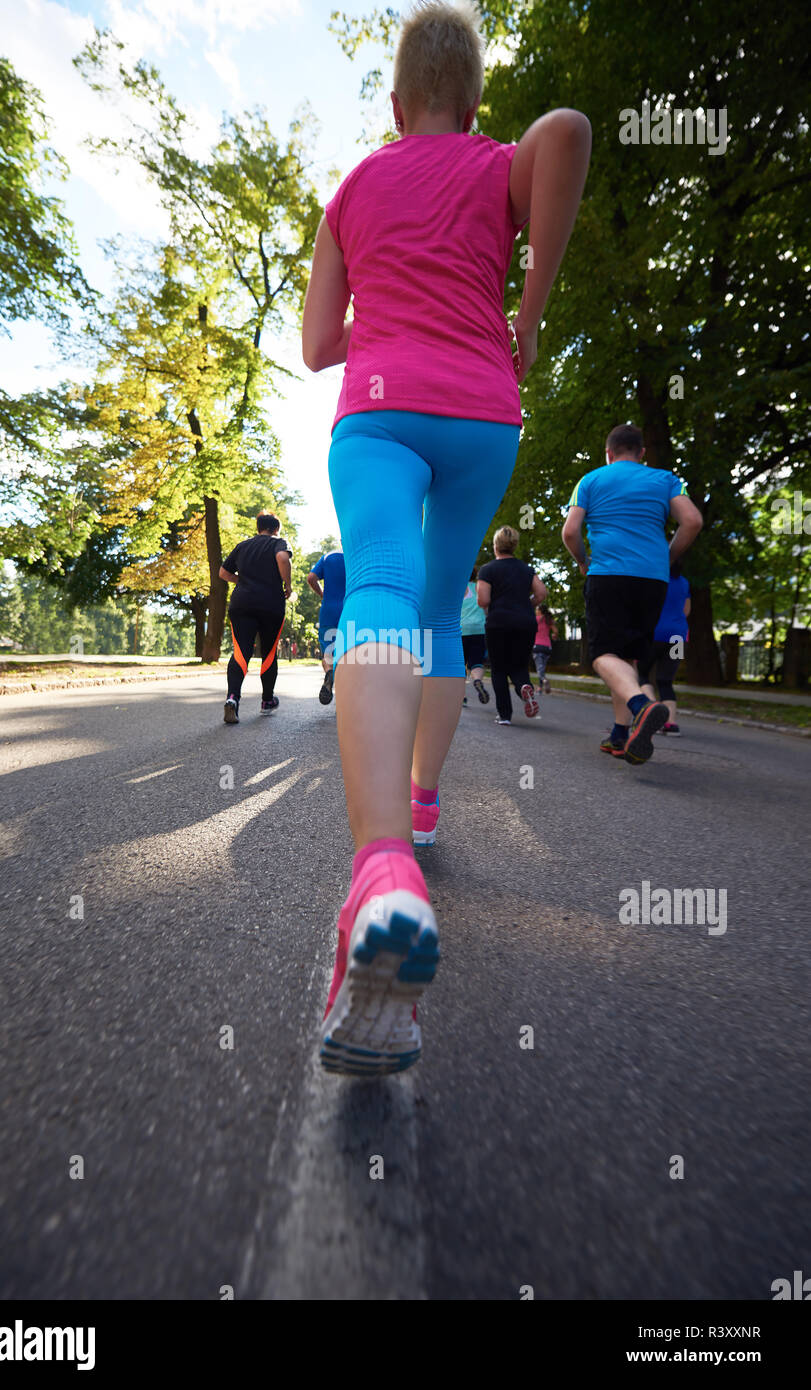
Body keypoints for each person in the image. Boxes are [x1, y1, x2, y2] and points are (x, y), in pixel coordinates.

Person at [302, 0, 590, 1074]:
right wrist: (527, 309)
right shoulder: (500, 164)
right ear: (474, 101)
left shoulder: (355, 185)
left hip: (380, 406)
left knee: (377, 586)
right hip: (483, 413)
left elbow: (317, 344)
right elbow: (567, 131)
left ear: (394, 100)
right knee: (433, 609)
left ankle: (383, 870)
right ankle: (421, 804)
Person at [561, 423, 702, 763]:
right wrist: (666, 557)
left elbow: (570, 532)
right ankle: (620, 735)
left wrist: (582, 560)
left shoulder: (591, 480)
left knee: (602, 655)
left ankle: (641, 707)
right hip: (653, 580)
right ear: (642, 453)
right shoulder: (666, 479)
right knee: (625, 659)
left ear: (608, 454)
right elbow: (693, 521)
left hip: (609, 574)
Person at [218, 512, 292, 723]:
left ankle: (232, 698)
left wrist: (242, 581)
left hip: (242, 603)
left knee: (241, 652)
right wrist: (287, 585)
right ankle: (267, 700)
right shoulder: (279, 542)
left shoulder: (243, 545)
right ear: (276, 528)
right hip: (271, 604)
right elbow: (282, 558)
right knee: (268, 653)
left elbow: (223, 573)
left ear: (259, 527)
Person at [477, 526, 547, 725]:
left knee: (499, 669)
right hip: (525, 623)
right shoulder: (526, 570)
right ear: (514, 545)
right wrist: (526, 605)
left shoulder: (488, 570)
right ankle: (525, 687)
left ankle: (505, 715)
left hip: (498, 623)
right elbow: (541, 593)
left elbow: (482, 600)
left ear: (496, 546)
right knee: (518, 665)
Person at [641, 564, 691, 735]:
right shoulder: (684, 582)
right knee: (666, 680)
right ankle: (670, 723)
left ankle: (652, 710)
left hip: (654, 633)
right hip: (678, 637)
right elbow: (686, 610)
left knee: (641, 674)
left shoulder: (653, 577)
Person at [306, 548, 347, 704]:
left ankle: (329, 672)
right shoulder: (356, 554)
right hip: (351, 608)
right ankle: (346, 697)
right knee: (350, 652)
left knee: (328, 652)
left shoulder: (328, 556)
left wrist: (323, 594)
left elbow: (311, 578)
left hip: (329, 609)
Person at [460, 567, 489, 705]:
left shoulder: (458, 589)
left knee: (460, 664)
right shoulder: (478, 587)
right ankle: (477, 680)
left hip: (460, 630)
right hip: (479, 629)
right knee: (476, 662)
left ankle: (462, 697)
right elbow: (486, 607)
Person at [533, 603, 557, 694]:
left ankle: (544, 680)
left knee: (540, 670)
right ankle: (540, 689)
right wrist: (554, 635)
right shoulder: (548, 620)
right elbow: (555, 631)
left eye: (537, 609)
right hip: (547, 647)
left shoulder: (536, 619)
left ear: (540, 611)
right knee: (542, 668)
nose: (536, 611)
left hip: (537, 646)